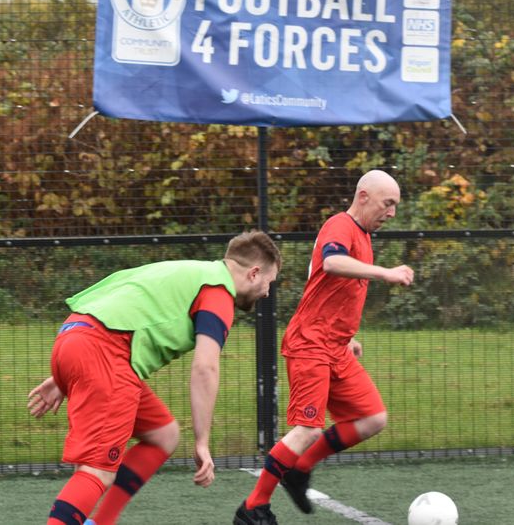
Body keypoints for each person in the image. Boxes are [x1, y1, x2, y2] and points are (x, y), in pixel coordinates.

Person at [27, 230, 282, 525]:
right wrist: (202, 442)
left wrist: (67, 372)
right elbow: (205, 368)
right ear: (253, 273)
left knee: (163, 435)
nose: (266, 291)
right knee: (97, 471)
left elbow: (124, 299)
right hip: (104, 353)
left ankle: (101, 522)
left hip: (76, 337)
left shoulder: (191, 271)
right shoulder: (218, 292)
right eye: (269, 282)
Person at [235, 170, 414, 525]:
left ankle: (299, 469)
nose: (391, 212)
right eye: (387, 203)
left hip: (335, 346)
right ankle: (253, 508)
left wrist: (347, 338)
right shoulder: (341, 225)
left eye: (395, 205)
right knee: (308, 429)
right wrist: (385, 272)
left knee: (372, 418)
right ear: (363, 196)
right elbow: (332, 263)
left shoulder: (361, 234)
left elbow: (335, 293)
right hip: (310, 345)